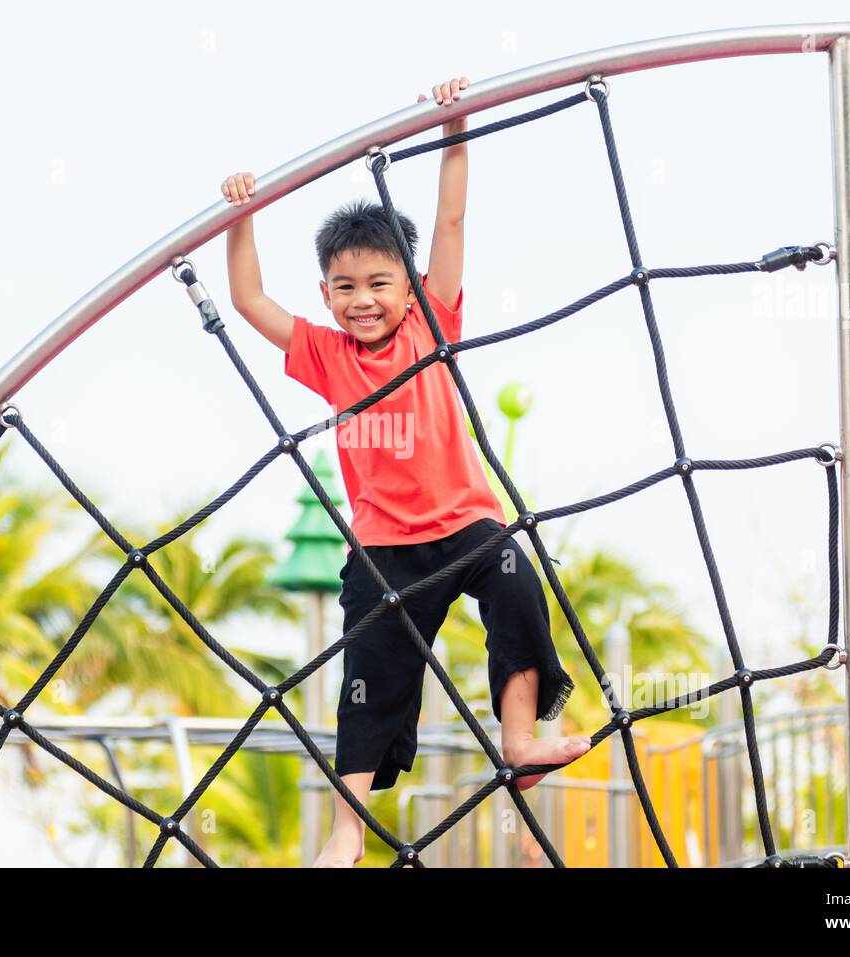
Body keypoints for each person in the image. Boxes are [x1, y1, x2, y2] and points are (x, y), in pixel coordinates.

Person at [221, 76, 589, 868]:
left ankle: (520, 735)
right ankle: (348, 829)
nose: (362, 301)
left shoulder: (434, 319)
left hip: (467, 523)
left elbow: (452, 217)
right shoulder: (324, 352)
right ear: (325, 293)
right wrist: (241, 215)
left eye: (378, 284)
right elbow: (248, 298)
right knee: (372, 673)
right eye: (344, 288)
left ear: (409, 286)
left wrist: (454, 127)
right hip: (384, 547)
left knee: (521, 585)